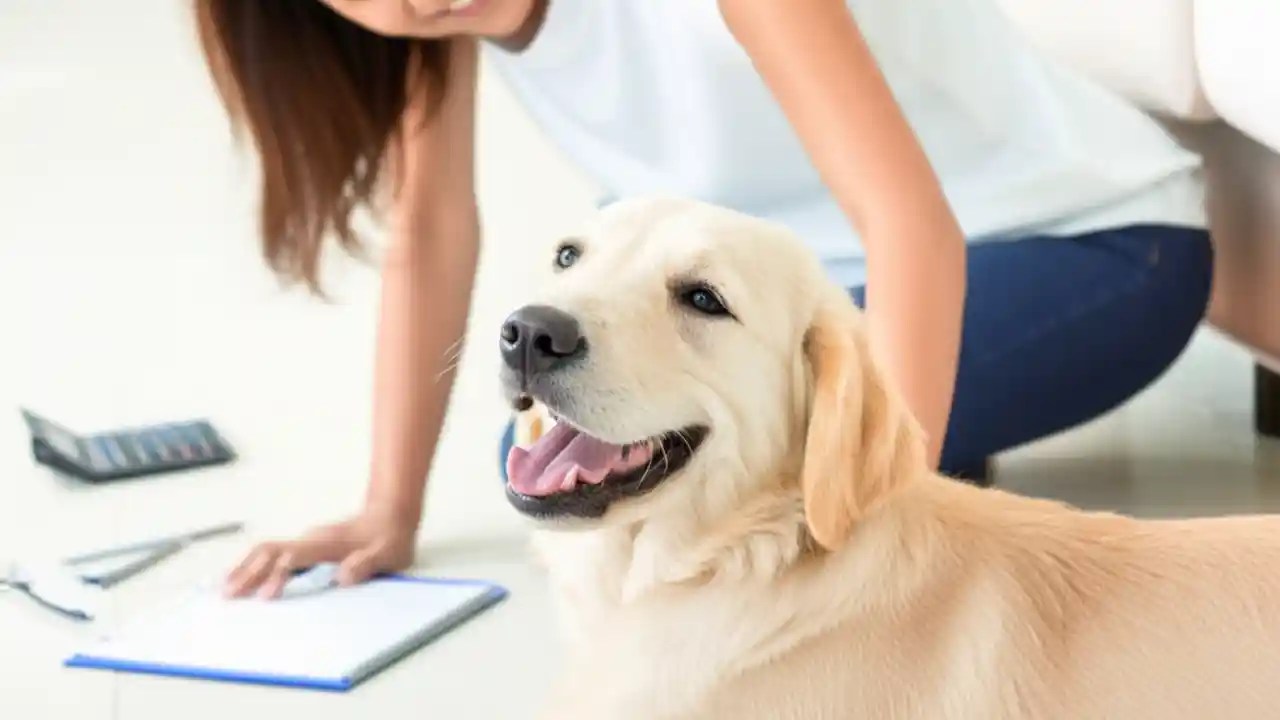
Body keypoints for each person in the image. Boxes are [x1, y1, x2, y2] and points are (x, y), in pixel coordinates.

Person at [197, 0, 1212, 599]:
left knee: (754, 480)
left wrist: (883, 522)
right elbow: (431, 229)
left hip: (1090, 246)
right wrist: (390, 506)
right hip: (800, 291)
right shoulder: (434, 24)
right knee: (547, 458)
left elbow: (910, 228)